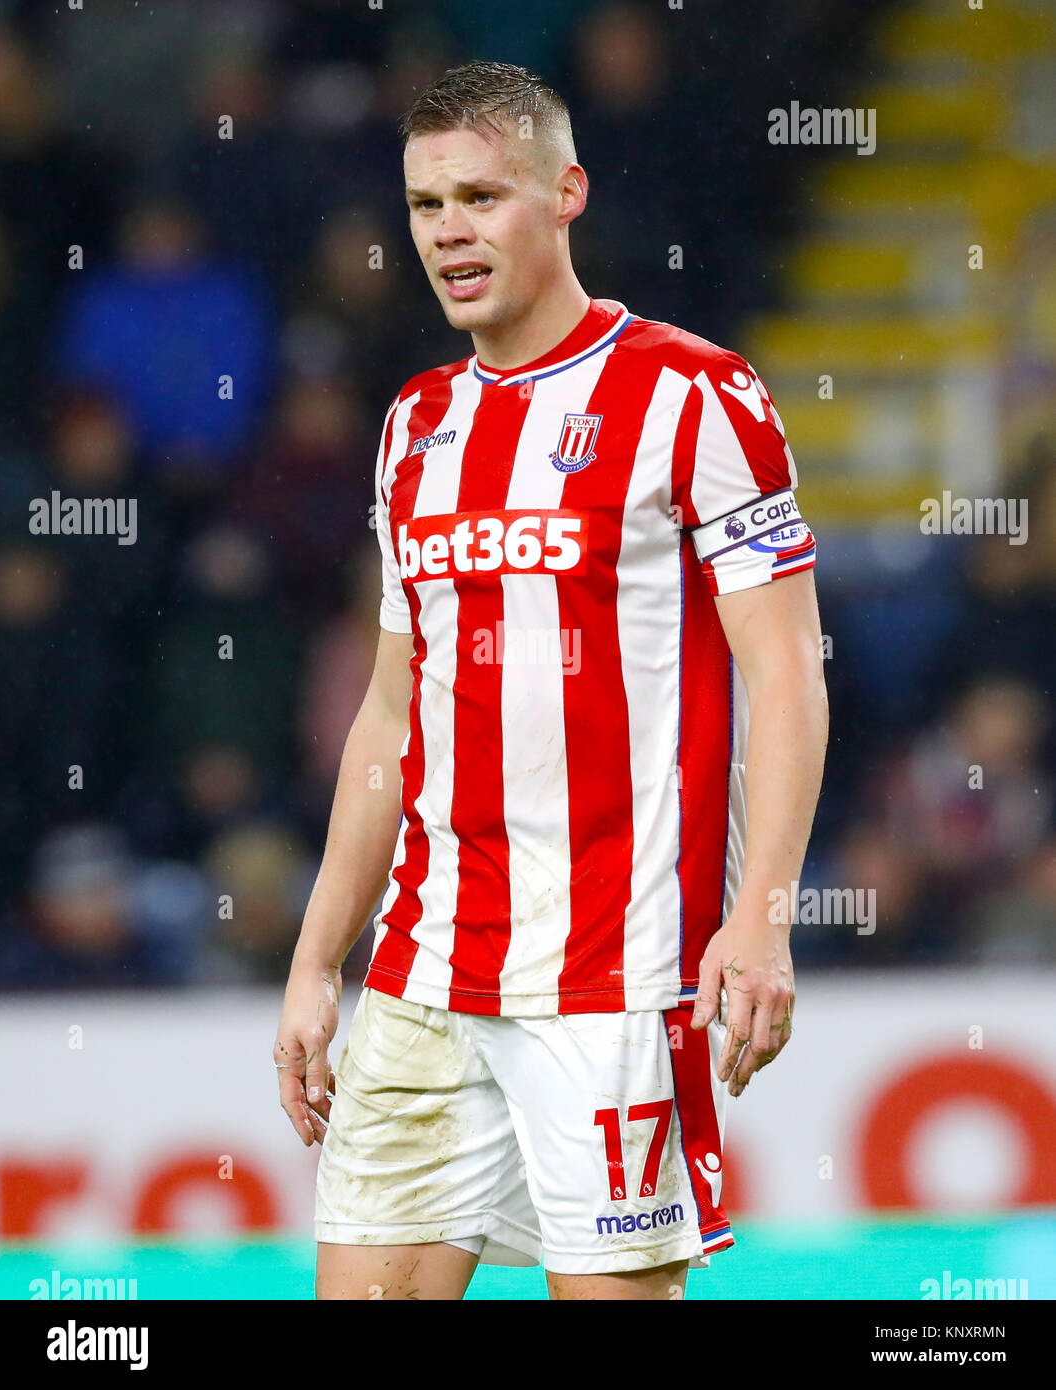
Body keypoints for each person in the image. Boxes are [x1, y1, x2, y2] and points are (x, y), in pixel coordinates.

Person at [274, 61, 828, 1302]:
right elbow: (388, 711)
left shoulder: (695, 393)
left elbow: (787, 669)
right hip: (425, 963)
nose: (449, 232)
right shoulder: (416, 423)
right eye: (426, 206)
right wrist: (320, 955)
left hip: (618, 974)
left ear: (566, 192)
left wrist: (767, 916)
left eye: (482, 195)